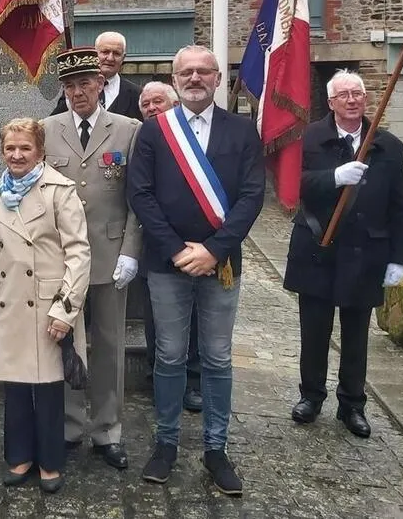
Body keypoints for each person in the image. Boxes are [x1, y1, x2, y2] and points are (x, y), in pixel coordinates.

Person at [127, 45, 264, 497]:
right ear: (174, 78)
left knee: (218, 358)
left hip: (222, 265)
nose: (194, 78)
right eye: (186, 72)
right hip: (167, 266)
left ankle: (215, 448)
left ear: (218, 78)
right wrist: (175, 251)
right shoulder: (154, 132)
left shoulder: (242, 130)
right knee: (167, 356)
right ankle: (165, 443)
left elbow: (251, 196)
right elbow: (140, 194)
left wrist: (214, 250)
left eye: (203, 71)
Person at [0, 118, 91, 495]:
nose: (17, 155)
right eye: (10, 149)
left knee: (49, 387)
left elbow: (79, 253)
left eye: (25, 148)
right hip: (8, 302)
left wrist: (65, 311)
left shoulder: (59, 191)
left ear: (40, 152)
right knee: (16, 388)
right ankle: (19, 456)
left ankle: (50, 460)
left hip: (49, 302)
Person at [285, 70, 403, 439]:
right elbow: (292, 186)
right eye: (345, 95)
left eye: (358, 93)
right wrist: (335, 177)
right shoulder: (308, 139)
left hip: (365, 251)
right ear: (331, 103)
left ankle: (352, 404)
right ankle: (311, 396)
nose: (353, 100)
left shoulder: (388, 145)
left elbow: (400, 205)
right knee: (315, 329)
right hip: (318, 248)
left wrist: (399, 257)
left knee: (357, 334)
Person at [40, 47, 141, 471]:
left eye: (85, 83)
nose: (77, 92)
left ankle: (106, 430)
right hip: (60, 260)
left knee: (108, 348)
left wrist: (131, 251)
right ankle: (67, 427)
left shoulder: (129, 130)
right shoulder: (46, 129)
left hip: (108, 257)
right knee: (63, 345)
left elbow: (139, 198)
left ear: (101, 84)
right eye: (69, 85)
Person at [137, 81, 202, 412]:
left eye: (157, 101)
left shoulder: (193, 138)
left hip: (197, 247)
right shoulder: (143, 138)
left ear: (174, 103)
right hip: (156, 244)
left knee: (194, 321)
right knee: (156, 320)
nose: (151, 108)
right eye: (145, 104)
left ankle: (192, 381)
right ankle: (157, 376)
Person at [51, 32, 142, 120]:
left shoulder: (136, 94)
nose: (110, 58)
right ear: (95, 54)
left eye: (116, 53)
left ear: (123, 58)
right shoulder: (74, 90)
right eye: (105, 52)